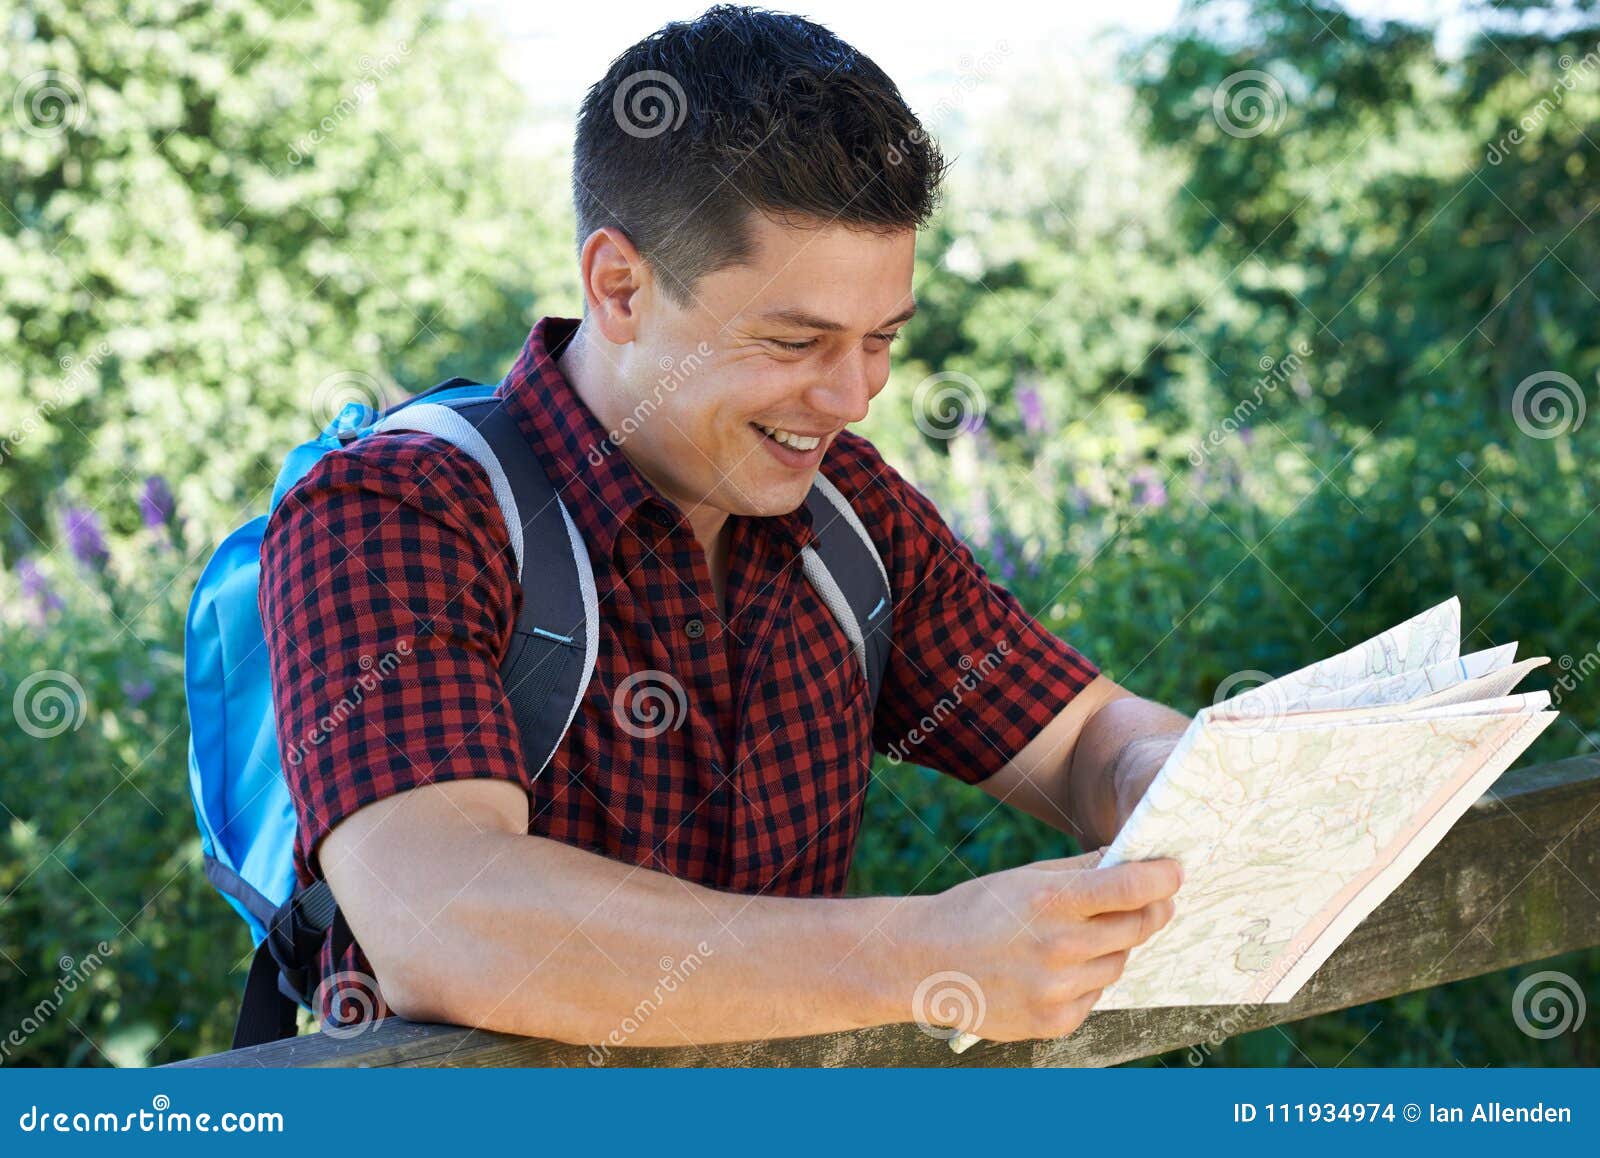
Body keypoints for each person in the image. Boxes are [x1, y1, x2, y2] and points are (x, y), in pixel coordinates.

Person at [259, 4, 1188, 1048]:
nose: (851, 397)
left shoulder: (848, 514)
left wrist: (1186, 792)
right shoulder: (395, 514)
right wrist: (929, 952)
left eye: (880, 338)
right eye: (796, 340)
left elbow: (1089, 742)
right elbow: (449, 920)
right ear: (620, 285)